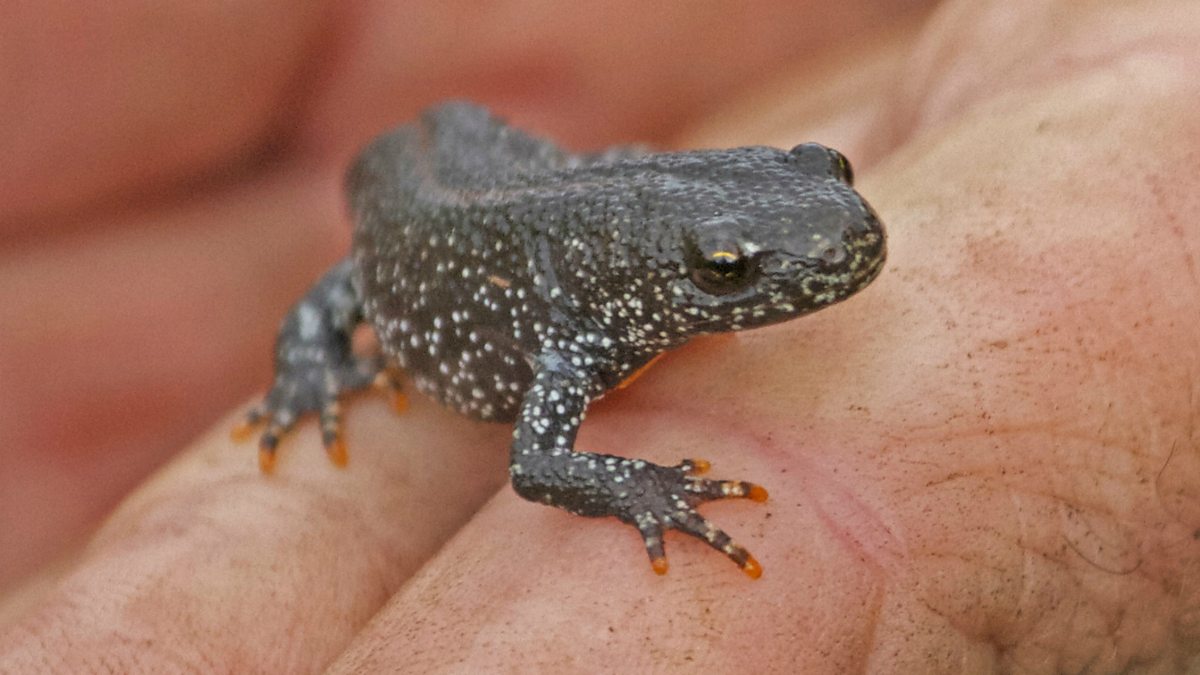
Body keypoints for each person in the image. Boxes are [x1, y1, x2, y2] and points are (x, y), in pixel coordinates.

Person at [1, 1, 1197, 671]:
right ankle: (309, 371)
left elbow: (750, 212)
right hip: (424, 199)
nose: (823, 255)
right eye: (731, 275)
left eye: (821, 180)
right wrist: (646, 490)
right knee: (339, 304)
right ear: (651, 283)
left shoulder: (639, 233)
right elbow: (538, 462)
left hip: (525, 175)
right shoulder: (576, 317)